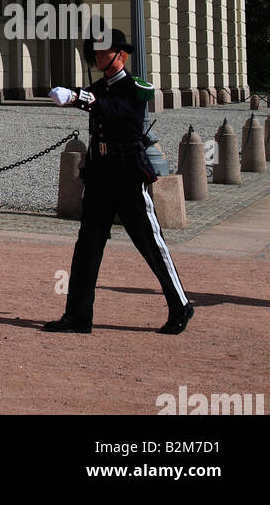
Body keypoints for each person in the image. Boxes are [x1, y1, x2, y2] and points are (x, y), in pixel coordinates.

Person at [44, 28, 193, 335]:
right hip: (100, 177)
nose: (98, 57)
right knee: (87, 246)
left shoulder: (136, 88)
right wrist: (78, 95)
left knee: (152, 244)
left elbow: (117, 113)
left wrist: (76, 97)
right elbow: (99, 110)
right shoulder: (98, 88)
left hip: (127, 176)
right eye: (95, 53)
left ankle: (181, 305)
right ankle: (78, 315)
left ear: (121, 55)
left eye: (103, 52)